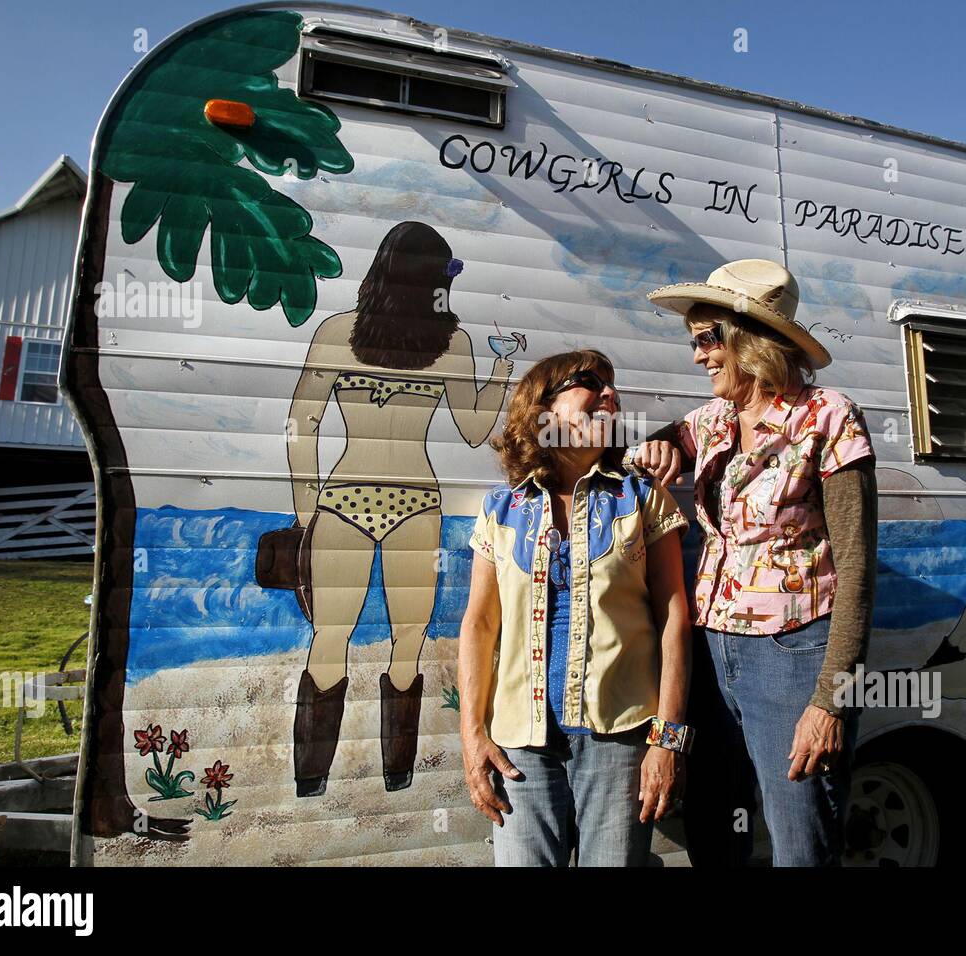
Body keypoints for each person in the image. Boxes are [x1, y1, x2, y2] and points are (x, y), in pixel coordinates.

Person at [627, 258, 879, 866]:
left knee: (801, 839)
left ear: (750, 338)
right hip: (712, 653)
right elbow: (647, 445)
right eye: (694, 342)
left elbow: (859, 571)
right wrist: (655, 445)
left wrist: (831, 701)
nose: (697, 357)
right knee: (714, 830)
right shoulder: (711, 422)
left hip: (794, 656)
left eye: (707, 340)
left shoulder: (829, 418)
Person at [286, 221, 513, 797]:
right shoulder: (450, 342)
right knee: (405, 639)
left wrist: (306, 510)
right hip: (416, 502)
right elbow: (474, 429)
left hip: (343, 499)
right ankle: (397, 777)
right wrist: (503, 369)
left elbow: (302, 424)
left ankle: (312, 781)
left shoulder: (338, 332)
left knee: (329, 637)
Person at [458, 349, 693, 866]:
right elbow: (478, 626)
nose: (610, 394)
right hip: (521, 743)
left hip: (620, 737)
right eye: (589, 382)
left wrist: (668, 741)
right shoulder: (502, 508)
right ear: (542, 407)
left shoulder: (642, 497)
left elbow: (674, 619)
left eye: (613, 386)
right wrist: (472, 737)